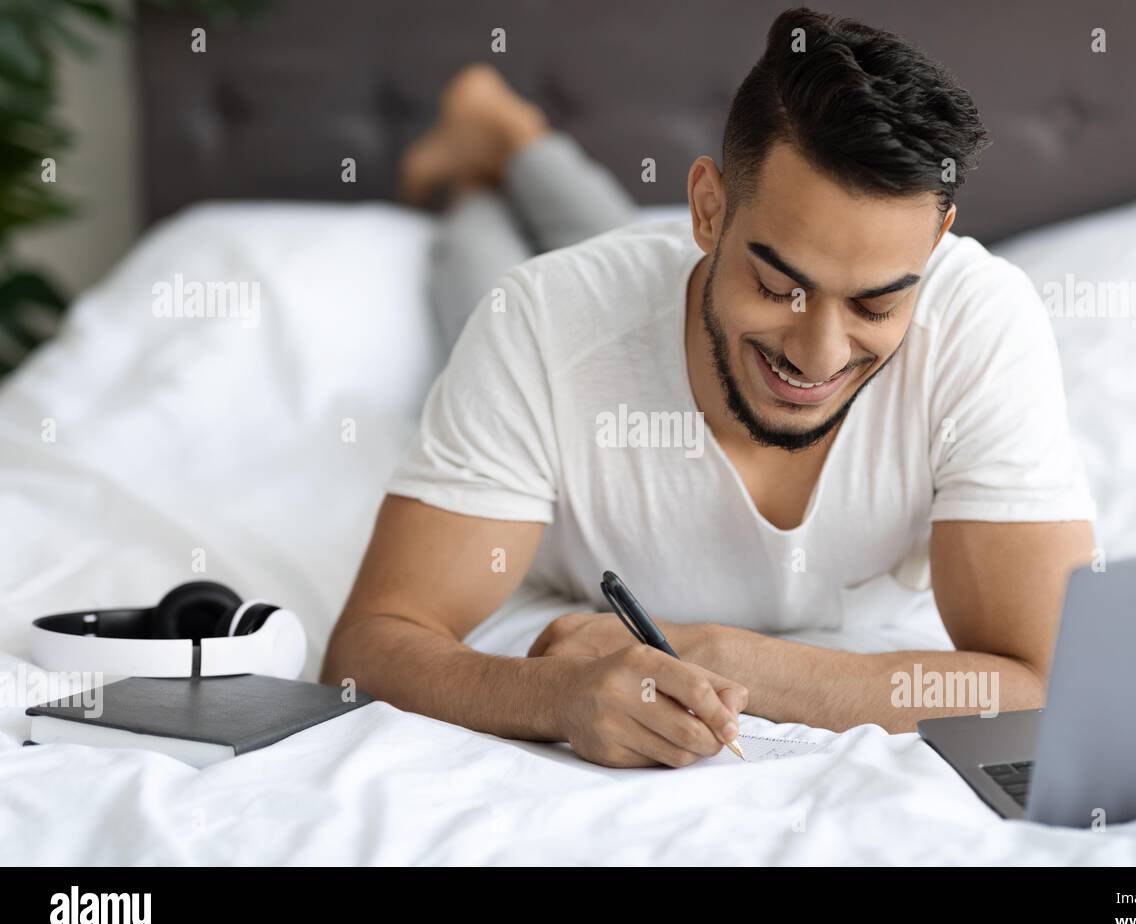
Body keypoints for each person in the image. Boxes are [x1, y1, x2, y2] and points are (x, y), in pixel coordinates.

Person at [322, 7, 1096, 768]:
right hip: (587, 306)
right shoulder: (539, 322)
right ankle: (476, 186)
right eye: (778, 283)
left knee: (632, 263)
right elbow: (367, 648)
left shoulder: (981, 318)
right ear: (707, 208)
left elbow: (1046, 683)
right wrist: (551, 696)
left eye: (876, 303)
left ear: (937, 240)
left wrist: (724, 656)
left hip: (670, 284)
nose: (820, 356)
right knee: (489, 279)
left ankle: (509, 136)